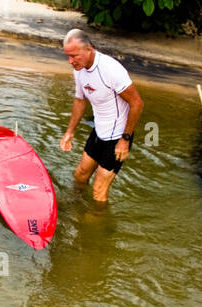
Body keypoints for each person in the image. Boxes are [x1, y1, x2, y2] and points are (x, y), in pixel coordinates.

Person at [58, 29, 145, 202]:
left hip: (118, 136)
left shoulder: (111, 69)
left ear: (88, 49)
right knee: (80, 175)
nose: (70, 61)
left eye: (74, 55)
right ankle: (75, 208)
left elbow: (137, 103)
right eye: (67, 56)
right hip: (99, 130)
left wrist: (125, 139)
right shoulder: (79, 68)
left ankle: (96, 225)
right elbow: (80, 100)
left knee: (99, 190)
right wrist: (70, 132)